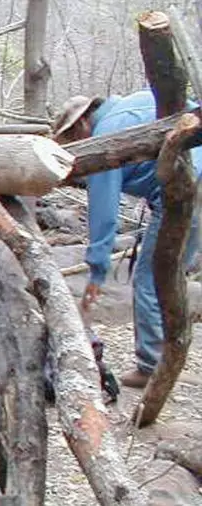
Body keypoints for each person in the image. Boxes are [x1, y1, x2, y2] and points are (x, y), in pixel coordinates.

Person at [51, 90, 202, 388]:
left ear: (80, 125)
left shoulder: (106, 137)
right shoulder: (139, 100)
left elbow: (104, 210)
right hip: (194, 182)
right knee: (174, 276)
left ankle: (151, 365)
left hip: (185, 189)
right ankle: (172, 354)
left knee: (151, 280)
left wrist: (97, 268)